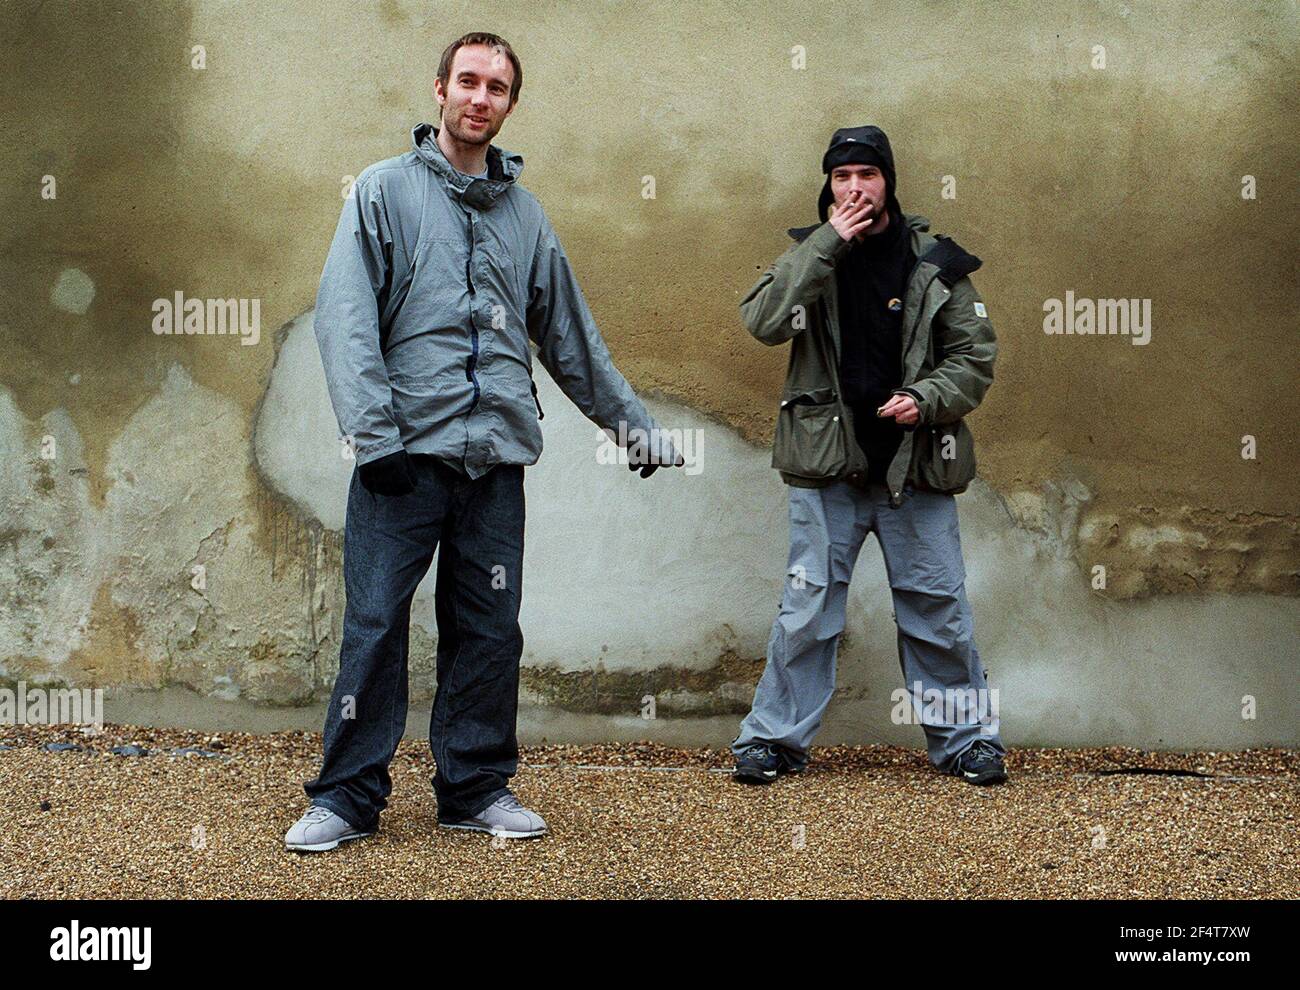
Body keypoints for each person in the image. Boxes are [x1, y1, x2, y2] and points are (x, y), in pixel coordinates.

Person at [287, 32, 681, 852]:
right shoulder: (382, 194)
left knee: (491, 631)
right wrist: (373, 438)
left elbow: (569, 335)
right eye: (467, 80)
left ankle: (473, 788)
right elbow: (347, 316)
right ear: (438, 91)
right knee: (374, 624)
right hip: (401, 462)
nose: (479, 97)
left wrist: (632, 430)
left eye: (497, 87)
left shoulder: (526, 218)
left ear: (508, 106)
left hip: (495, 463)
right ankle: (347, 798)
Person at [730, 125, 1007, 787]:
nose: (855, 187)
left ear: (889, 182)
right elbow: (763, 321)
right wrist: (830, 242)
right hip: (827, 466)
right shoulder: (811, 254)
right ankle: (772, 741)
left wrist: (927, 397)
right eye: (842, 175)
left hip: (914, 466)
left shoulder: (935, 261)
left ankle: (967, 740)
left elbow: (976, 357)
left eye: (867, 174)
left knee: (938, 609)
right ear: (828, 184)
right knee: (806, 611)